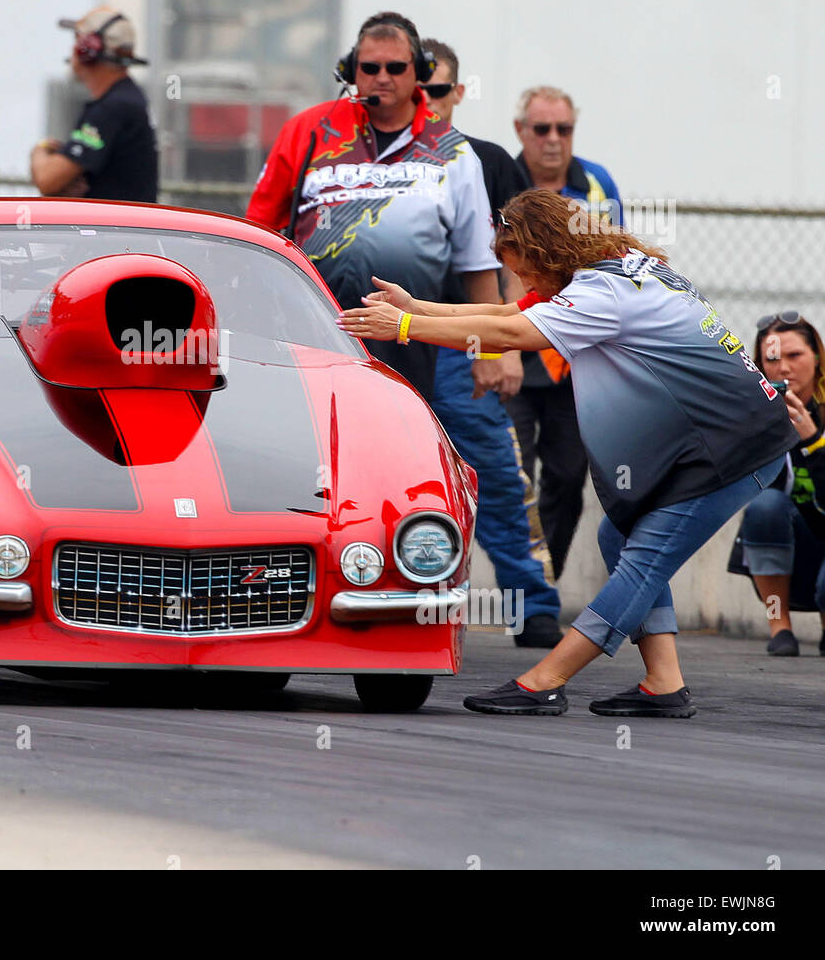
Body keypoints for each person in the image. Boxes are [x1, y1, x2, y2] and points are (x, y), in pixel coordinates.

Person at [337, 188, 797, 717]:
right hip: (734, 432)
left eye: (524, 268)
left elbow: (511, 331)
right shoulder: (618, 266)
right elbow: (509, 312)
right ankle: (663, 682)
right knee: (618, 534)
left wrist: (404, 329)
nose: (525, 282)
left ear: (544, 250)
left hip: (735, 447)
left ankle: (545, 680)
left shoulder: (604, 294)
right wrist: (417, 307)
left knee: (644, 558)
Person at [246, 12, 501, 402]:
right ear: (350, 71)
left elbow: (477, 263)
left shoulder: (453, 150)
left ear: (420, 72)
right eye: (370, 67)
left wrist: (490, 351)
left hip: (407, 340)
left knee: (396, 441)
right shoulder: (308, 131)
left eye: (396, 67)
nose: (383, 77)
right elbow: (256, 231)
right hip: (310, 331)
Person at [418, 39, 560, 648]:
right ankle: (395, 600)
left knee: (501, 474)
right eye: (419, 90)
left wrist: (506, 350)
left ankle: (534, 605)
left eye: (439, 89)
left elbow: (519, 265)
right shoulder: (357, 162)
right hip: (376, 347)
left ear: (459, 92)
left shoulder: (488, 159)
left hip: (463, 347)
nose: (429, 101)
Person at [505, 85, 623, 580]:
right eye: (541, 129)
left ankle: (543, 585)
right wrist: (497, 347)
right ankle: (524, 586)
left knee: (569, 475)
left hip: (576, 352)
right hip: (514, 341)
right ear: (520, 132)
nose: (553, 140)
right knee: (513, 476)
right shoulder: (500, 176)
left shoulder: (596, 184)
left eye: (564, 129)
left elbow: (617, 260)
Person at [729, 313, 825, 655]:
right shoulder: (758, 418)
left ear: (816, 356)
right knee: (765, 506)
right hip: (785, 552)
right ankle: (778, 626)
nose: (783, 367)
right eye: (771, 359)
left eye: (794, 356)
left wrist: (813, 442)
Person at [30, 7, 157, 203]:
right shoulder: (124, 100)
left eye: (77, 40)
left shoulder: (113, 108)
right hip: (122, 228)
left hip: (116, 230)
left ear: (88, 49)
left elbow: (48, 179)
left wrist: (40, 150)